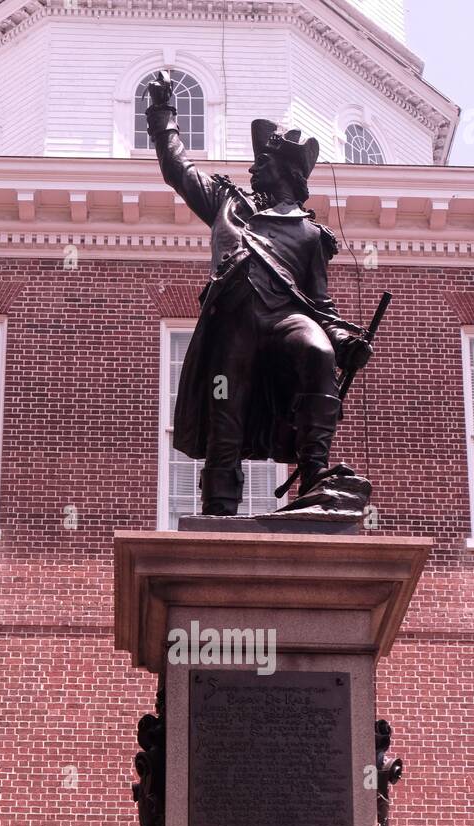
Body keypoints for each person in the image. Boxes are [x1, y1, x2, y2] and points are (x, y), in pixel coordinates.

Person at [145, 71, 370, 516]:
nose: (251, 170)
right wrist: (163, 115)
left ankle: (314, 474)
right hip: (232, 330)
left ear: (286, 170)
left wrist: (344, 340)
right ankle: (219, 506)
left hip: (284, 321)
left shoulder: (310, 234)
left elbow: (320, 304)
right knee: (225, 408)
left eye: (262, 163)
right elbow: (178, 170)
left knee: (319, 352)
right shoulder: (227, 204)